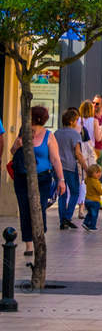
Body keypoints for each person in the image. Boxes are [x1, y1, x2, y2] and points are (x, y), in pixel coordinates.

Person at [10, 105, 66, 257]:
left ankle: (38, 240)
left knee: (39, 208)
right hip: (23, 177)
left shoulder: (49, 135)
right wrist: (17, 145)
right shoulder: (24, 131)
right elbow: (13, 152)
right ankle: (29, 245)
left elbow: (55, 159)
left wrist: (61, 179)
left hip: (42, 178)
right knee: (25, 209)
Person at [55, 106, 90, 230]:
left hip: (58, 167)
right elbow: (78, 154)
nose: (77, 123)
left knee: (62, 194)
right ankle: (67, 217)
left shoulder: (57, 133)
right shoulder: (75, 134)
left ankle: (62, 219)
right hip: (70, 167)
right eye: (76, 121)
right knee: (75, 192)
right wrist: (86, 168)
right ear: (71, 121)